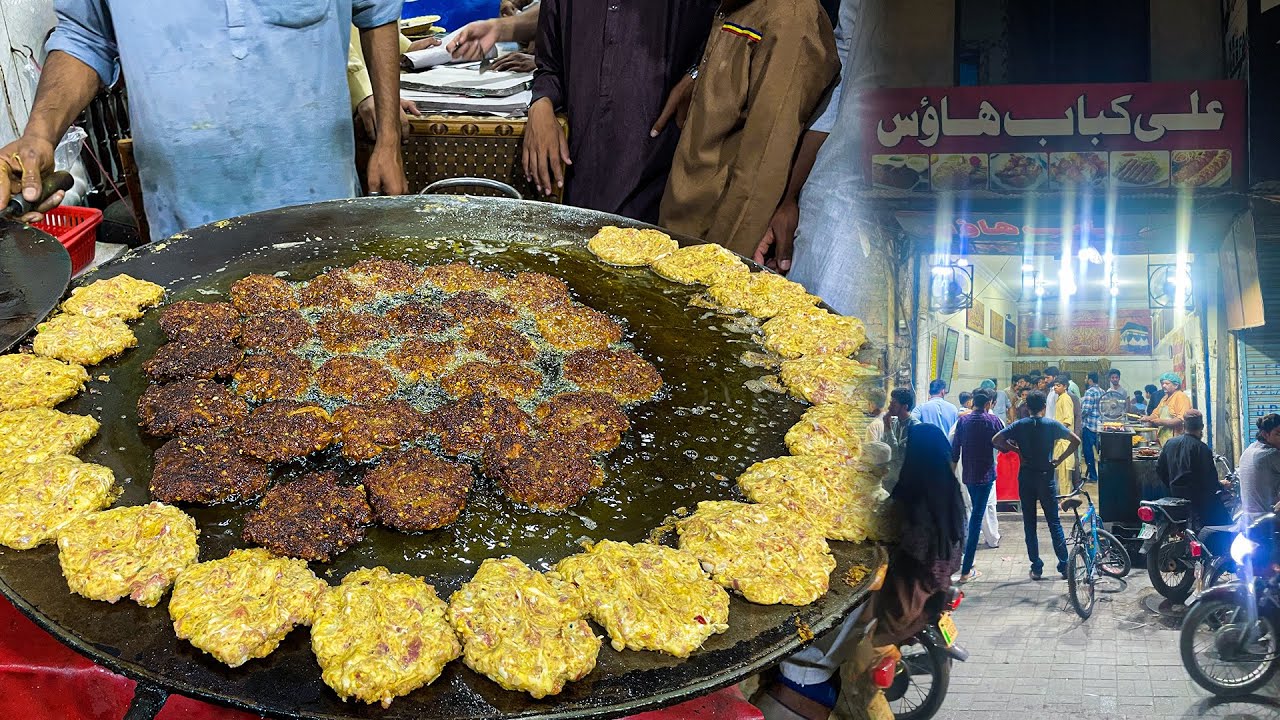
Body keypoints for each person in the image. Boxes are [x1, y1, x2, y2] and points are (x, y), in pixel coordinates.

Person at [4, 0, 409, 240]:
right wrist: (40, 133)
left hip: (320, 201)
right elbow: (85, 36)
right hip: (185, 218)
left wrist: (388, 140)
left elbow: (376, 12)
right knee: (196, 360)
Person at [659, 0, 839, 257]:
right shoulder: (738, 7)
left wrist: (720, 271)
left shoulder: (791, 17)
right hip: (681, 231)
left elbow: (762, 167)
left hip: (711, 248)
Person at [516, 0, 715, 220]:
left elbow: (727, 36)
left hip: (658, 176)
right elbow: (550, 67)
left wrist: (697, 73)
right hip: (582, 175)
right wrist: (541, 103)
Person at [873, 422, 965, 645]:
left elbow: (895, 526)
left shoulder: (913, 487)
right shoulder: (948, 483)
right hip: (944, 567)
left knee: (875, 625)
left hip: (919, 569)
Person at [993, 390, 1080, 581]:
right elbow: (1076, 441)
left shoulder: (1019, 425)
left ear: (1027, 407)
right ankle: (1064, 566)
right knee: (1054, 522)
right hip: (1046, 477)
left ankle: (1037, 567)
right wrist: (1059, 459)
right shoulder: (1051, 425)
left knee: (1030, 524)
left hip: (1026, 477)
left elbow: (996, 439)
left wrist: (1016, 450)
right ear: (1043, 407)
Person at [952, 389, 1004, 582]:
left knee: (974, 514)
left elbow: (955, 450)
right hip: (986, 475)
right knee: (976, 519)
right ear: (989, 404)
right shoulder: (993, 421)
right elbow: (1003, 443)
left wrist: (951, 475)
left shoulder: (963, 422)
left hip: (968, 475)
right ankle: (966, 570)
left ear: (973, 403)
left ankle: (967, 564)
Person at [1156, 410, 1231, 529]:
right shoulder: (1202, 448)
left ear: (1184, 426)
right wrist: (1221, 485)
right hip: (1198, 502)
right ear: (1202, 427)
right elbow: (1210, 482)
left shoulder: (1170, 443)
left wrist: (1173, 485)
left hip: (1174, 498)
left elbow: (1160, 470)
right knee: (1226, 524)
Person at [1240, 414, 1280, 520]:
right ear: (1265, 434)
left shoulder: (1249, 449)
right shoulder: (1271, 454)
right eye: (1278, 434)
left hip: (1248, 518)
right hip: (1267, 519)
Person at [882, 387, 918, 489]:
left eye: (894, 404)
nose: (889, 407)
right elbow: (885, 449)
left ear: (905, 407)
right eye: (890, 403)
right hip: (890, 480)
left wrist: (888, 429)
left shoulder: (915, 427)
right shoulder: (893, 423)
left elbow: (896, 454)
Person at [1143, 372, 1191, 446]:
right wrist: (1147, 418)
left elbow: (1181, 419)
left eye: (1167, 384)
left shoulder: (1181, 397)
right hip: (1164, 439)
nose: (1163, 386)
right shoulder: (1164, 398)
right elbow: (1156, 414)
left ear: (1176, 385)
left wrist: (1162, 422)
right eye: (1162, 383)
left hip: (1177, 439)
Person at [1052, 375, 1079, 495]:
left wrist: (1058, 431)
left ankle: (1065, 497)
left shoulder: (1066, 398)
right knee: (1060, 471)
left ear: (1065, 386)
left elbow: (1068, 420)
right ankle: (1062, 496)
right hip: (1059, 440)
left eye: (1058, 385)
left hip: (1064, 441)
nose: (1055, 388)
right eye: (1054, 385)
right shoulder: (1060, 398)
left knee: (1065, 473)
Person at [1080, 371, 1104, 483]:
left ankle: (1093, 476)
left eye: (1086, 378)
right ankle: (1103, 475)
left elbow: (1086, 410)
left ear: (1090, 380)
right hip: (1099, 426)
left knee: (1088, 453)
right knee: (1101, 453)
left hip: (1089, 426)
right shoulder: (1102, 391)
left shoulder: (1090, 392)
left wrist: (1078, 416)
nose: (1085, 380)